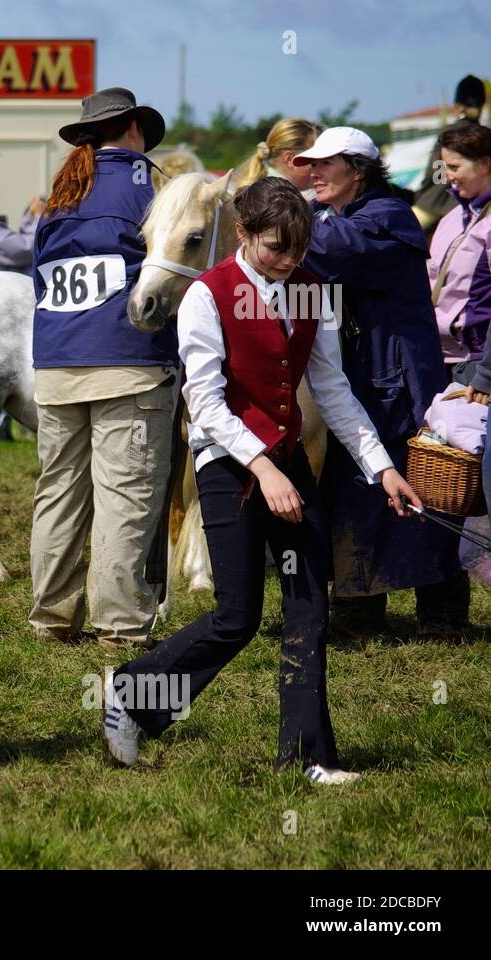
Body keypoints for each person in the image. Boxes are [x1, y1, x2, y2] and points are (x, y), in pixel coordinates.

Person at [103, 177, 421, 785]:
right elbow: (206, 401)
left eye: (299, 249)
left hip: (286, 460)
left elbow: (332, 389)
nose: (289, 261)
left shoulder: (312, 292)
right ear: (242, 234)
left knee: (308, 608)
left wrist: (382, 468)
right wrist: (263, 467)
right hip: (227, 462)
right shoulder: (205, 294)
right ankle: (131, 693)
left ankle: (310, 759)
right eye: (276, 247)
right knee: (237, 617)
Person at [292, 127, 468, 638]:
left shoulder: (386, 216)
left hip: (400, 379)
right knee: (356, 493)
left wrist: (277, 213)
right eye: (311, 165)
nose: (314, 173)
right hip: (363, 376)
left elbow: (330, 250)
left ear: (359, 171)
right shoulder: (336, 216)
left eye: (326, 165)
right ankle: (359, 606)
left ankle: (442, 614)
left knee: (420, 494)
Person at [28, 86, 176, 652]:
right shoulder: (154, 189)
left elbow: (39, 275)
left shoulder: (62, 194)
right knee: (126, 492)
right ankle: (120, 624)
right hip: (130, 363)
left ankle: (51, 616)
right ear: (135, 128)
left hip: (58, 363)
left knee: (58, 492)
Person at [430, 124, 491, 383]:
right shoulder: (451, 218)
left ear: (485, 164)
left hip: (477, 365)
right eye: (444, 168)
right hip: (440, 360)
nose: (447, 176)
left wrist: (486, 375)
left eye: (454, 167)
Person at [414, 75, 487, 233]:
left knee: (401, 232)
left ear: (458, 105)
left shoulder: (448, 132)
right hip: (478, 198)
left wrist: (422, 193)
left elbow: (435, 172)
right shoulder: (484, 134)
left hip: (438, 201)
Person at [234, 117, 323, 198]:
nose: (320, 171)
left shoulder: (259, 192)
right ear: (290, 159)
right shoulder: (280, 202)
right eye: (314, 163)